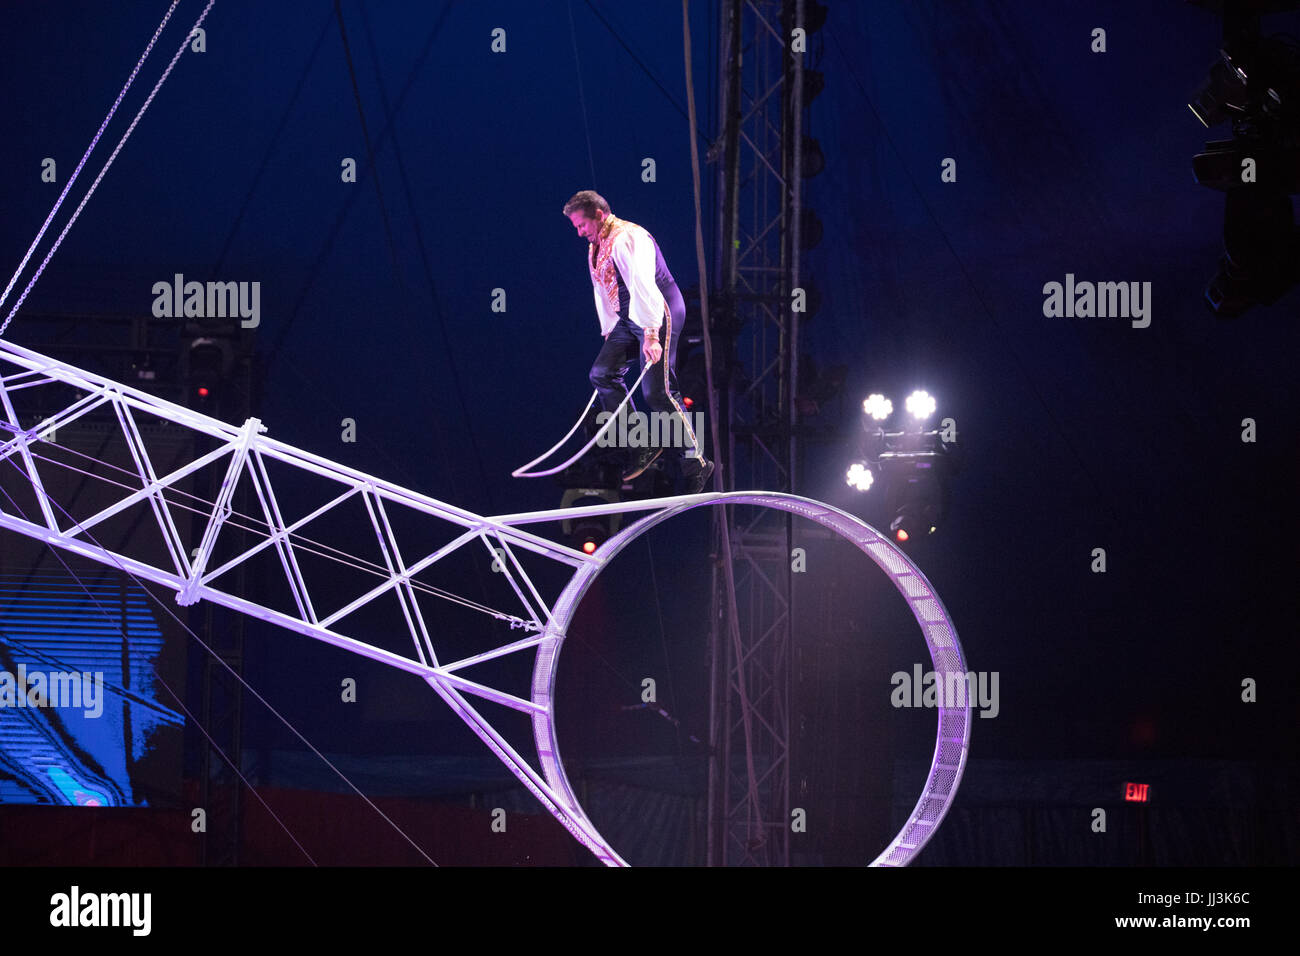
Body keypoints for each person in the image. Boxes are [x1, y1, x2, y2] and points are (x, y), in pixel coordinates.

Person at [563, 189, 713, 492]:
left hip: (659, 310)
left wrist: (651, 334)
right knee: (601, 374)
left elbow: (644, 286)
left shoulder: (627, 238)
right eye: (576, 227)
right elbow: (601, 289)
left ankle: (696, 460)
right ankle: (641, 443)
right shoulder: (595, 246)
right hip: (629, 315)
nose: (579, 233)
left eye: (582, 225)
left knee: (657, 392)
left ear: (600, 215)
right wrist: (609, 331)